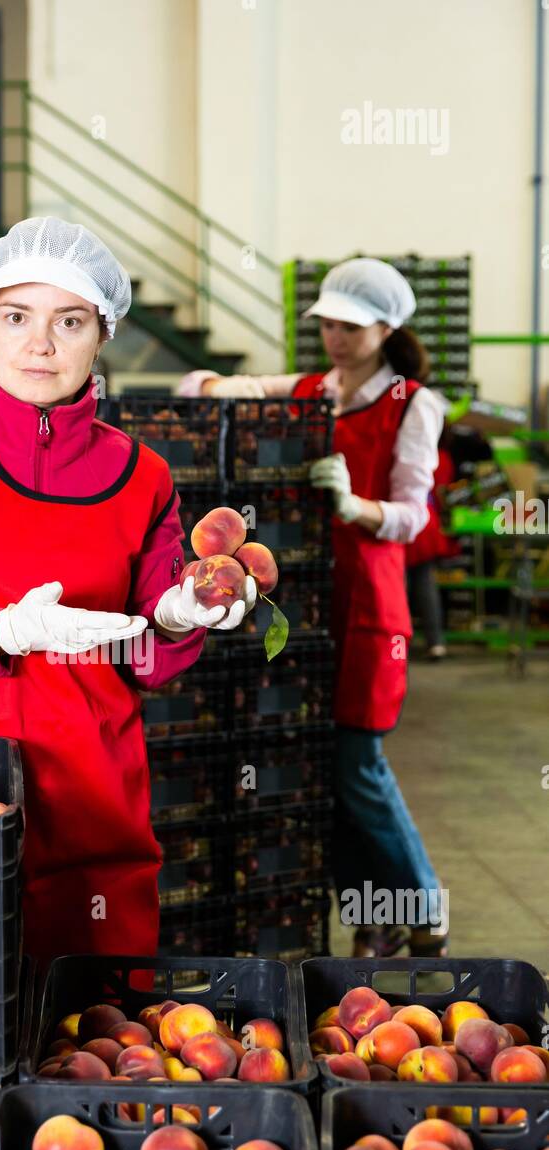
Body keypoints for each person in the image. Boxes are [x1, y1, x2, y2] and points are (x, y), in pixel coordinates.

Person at [0, 216, 256, 975]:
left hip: (90, 814)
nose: (41, 344)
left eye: (69, 321)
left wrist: (177, 620)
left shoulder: (142, 477)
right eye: (16, 317)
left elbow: (144, 663)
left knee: (90, 1041)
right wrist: (0, 632)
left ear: (102, 335)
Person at [178, 257, 446, 957]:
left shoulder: (412, 404)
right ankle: (373, 919)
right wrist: (208, 384)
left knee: (358, 762)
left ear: (386, 329)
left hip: (368, 607)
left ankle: (424, 905)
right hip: (305, 606)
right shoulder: (306, 392)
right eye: (326, 322)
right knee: (321, 768)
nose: (334, 335)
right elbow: (204, 389)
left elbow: (414, 515)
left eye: (350, 326)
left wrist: (356, 505)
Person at [405, 417, 459, 659]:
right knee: (426, 585)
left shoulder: (410, 451)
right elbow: (442, 494)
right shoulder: (444, 458)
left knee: (400, 588)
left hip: (406, 520)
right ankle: (436, 642)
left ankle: (398, 646)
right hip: (428, 523)